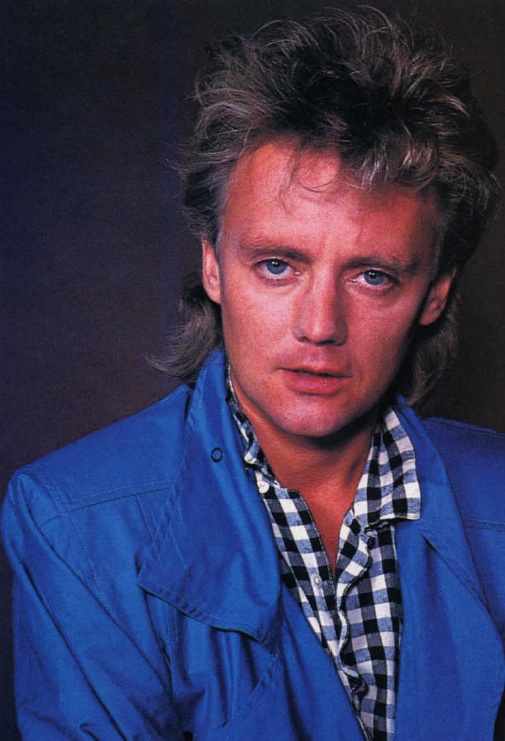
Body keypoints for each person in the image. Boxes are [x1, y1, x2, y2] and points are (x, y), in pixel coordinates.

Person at [2, 7, 504, 740]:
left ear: (433, 293)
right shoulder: (77, 522)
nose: (319, 325)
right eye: (277, 265)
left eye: (372, 276)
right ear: (212, 265)